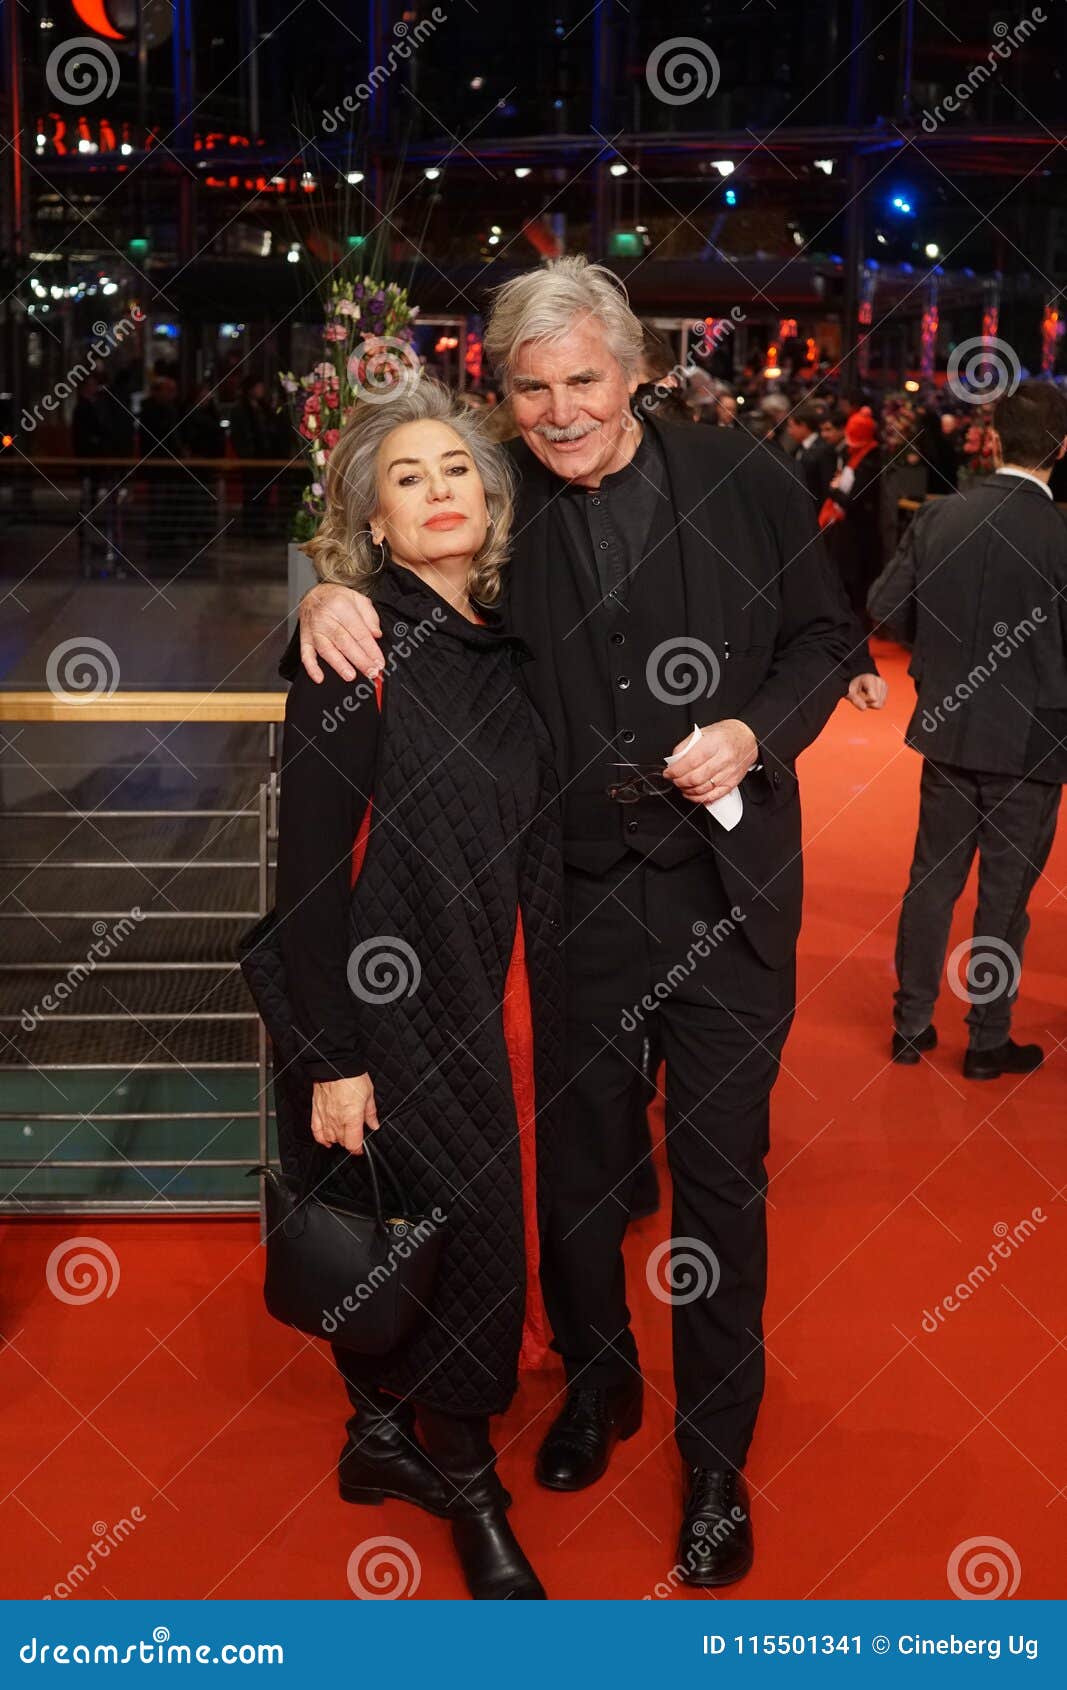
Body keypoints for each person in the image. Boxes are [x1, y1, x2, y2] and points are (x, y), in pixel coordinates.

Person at [291, 256, 854, 1588]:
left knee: (718, 1185)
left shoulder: (741, 478)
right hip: (567, 907)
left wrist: (750, 732)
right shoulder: (496, 500)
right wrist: (318, 596)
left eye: (582, 383)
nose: (557, 413)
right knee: (584, 1180)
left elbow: (824, 640)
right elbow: (394, 555)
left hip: (725, 902)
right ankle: (598, 1383)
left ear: (636, 370)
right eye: (531, 389)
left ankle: (715, 1461)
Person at [251, 379, 564, 1599]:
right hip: (384, 1008)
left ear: (489, 501)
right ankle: (466, 1477)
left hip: (492, 992)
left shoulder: (504, 639)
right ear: (371, 523)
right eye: (407, 477)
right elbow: (309, 876)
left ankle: (382, 1439)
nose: (439, 491)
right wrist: (332, 1054)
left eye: (456, 472)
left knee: (439, 1232)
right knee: (458, 1232)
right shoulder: (350, 645)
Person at [868, 379, 1067, 1078]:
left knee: (931, 882)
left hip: (949, 727)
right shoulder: (1058, 534)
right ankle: (986, 1039)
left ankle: (909, 1025)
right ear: (1062, 448)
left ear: (992, 439)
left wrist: (941, 661)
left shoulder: (939, 516)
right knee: (1004, 900)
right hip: (1033, 742)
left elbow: (883, 603)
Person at [819, 406, 884, 619]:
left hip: (859, 533)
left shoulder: (869, 462)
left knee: (856, 582)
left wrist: (833, 491)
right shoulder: (856, 457)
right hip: (849, 529)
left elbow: (853, 501)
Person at [785, 401, 836, 504]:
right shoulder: (797, 449)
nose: (789, 432)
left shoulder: (824, 450)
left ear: (803, 425)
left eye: (791, 426)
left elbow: (825, 487)